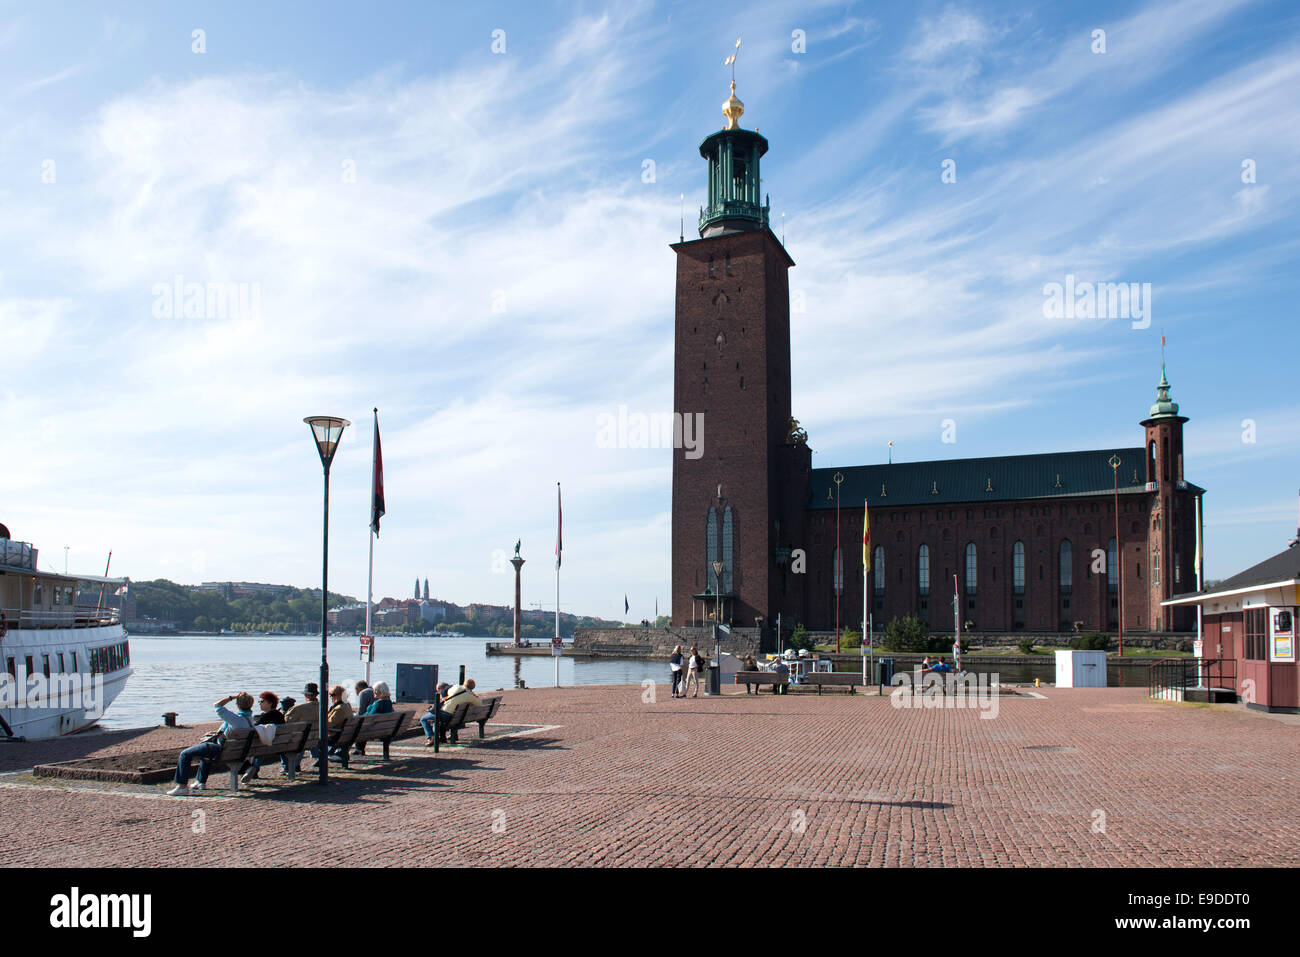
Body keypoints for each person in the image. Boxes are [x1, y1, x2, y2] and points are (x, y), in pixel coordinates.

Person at [168, 692, 254, 796]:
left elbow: (217, 705)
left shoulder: (235, 719)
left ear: (238, 704)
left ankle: (182, 787)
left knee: (185, 754)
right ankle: (200, 782)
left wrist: (231, 697)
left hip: (221, 750)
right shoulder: (251, 720)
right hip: (235, 751)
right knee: (206, 748)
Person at [240, 691, 285, 783]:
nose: (259, 703)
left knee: (254, 747)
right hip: (282, 745)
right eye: (259, 702)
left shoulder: (267, 716)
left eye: (262, 701)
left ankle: (252, 770)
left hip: (267, 746)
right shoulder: (279, 715)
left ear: (270, 703)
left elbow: (253, 728)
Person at [434, 679, 482, 743]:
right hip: (458, 717)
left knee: (427, 719)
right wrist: (473, 694)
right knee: (452, 718)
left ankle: (436, 738)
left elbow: (447, 693)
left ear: (464, 683)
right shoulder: (469, 695)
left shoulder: (456, 687)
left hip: (447, 712)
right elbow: (480, 703)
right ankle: (451, 736)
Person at [323, 685, 354, 760]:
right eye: (330, 695)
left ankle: (320, 759)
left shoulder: (339, 709)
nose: (330, 697)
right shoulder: (347, 705)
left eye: (332, 695)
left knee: (313, 738)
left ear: (339, 695)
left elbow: (329, 724)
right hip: (346, 735)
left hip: (335, 736)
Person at [352, 679, 378, 756]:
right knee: (363, 724)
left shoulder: (364, 693)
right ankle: (360, 748)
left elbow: (361, 712)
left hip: (371, 724)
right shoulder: (374, 691)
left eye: (356, 689)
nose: (356, 692)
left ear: (358, 688)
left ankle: (358, 749)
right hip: (379, 724)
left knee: (357, 725)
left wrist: (353, 716)